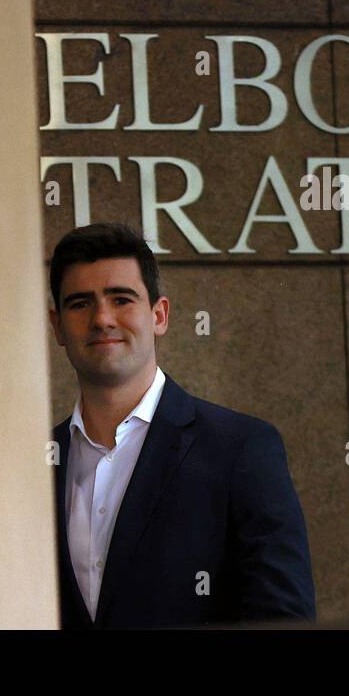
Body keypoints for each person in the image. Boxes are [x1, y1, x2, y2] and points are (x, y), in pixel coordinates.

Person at [47, 222, 316, 628]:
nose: (102, 318)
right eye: (81, 303)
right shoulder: (32, 466)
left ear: (159, 315)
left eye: (121, 299)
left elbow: (281, 617)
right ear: (57, 327)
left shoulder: (240, 449)